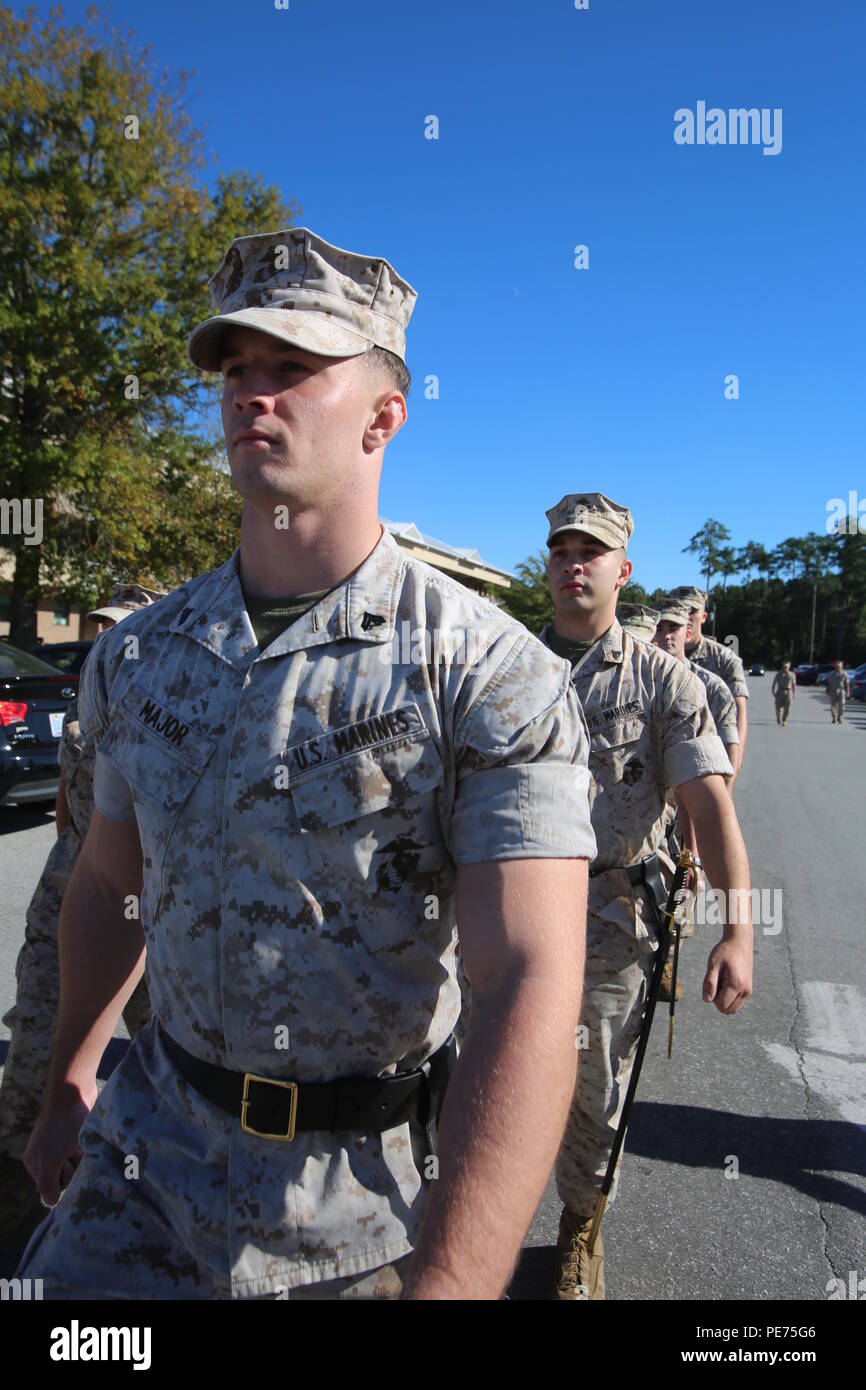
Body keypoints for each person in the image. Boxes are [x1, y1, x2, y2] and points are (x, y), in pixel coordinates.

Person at [18, 227, 597, 1301]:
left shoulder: (484, 671)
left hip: (351, 1211)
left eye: (291, 368)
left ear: (384, 415)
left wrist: (456, 1281)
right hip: (144, 1164)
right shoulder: (137, 654)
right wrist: (66, 1076)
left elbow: (525, 981)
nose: (252, 395)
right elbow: (108, 881)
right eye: (235, 371)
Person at [539, 493, 754, 1301]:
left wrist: (741, 932)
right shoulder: (509, 664)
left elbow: (710, 806)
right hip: (503, 919)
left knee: (594, 1092)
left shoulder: (666, 680)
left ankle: (579, 1232)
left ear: (622, 571)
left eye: (590, 551)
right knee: (485, 1078)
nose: (573, 563)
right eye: (561, 550)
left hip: (610, 922)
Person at [0, 586, 160, 1249]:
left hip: (155, 925)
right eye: (100, 628)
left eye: (119, 629)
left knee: (169, 1072)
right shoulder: (83, 716)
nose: (106, 639)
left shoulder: (166, 714)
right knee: (36, 1064)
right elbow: (68, 815)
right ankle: (17, 1219)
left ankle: (151, 1216)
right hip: (71, 908)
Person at [653, 600, 740, 780]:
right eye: (659, 628)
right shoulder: (640, 683)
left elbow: (729, 745)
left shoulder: (712, 688)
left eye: (673, 628)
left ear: (688, 634)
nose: (666, 636)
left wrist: (726, 795)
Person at [669, 585, 750, 774]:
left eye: (692, 611)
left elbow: (739, 712)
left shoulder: (724, 659)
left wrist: (735, 759)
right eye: (680, 609)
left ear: (704, 616)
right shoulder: (656, 655)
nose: (686, 616)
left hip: (710, 757)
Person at [771, 662, 796, 726]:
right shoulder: (779, 674)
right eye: (784, 667)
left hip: (788, 692)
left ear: (789, 667)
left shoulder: (792, 675)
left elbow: (793, 685)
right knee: (778, 707)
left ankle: (784, 720)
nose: (785, 668)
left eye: (786, 667)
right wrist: (773, 692)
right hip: (780, 691)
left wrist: (794, 694)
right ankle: (778, 717)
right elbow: (774, 683)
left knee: (787, 708)